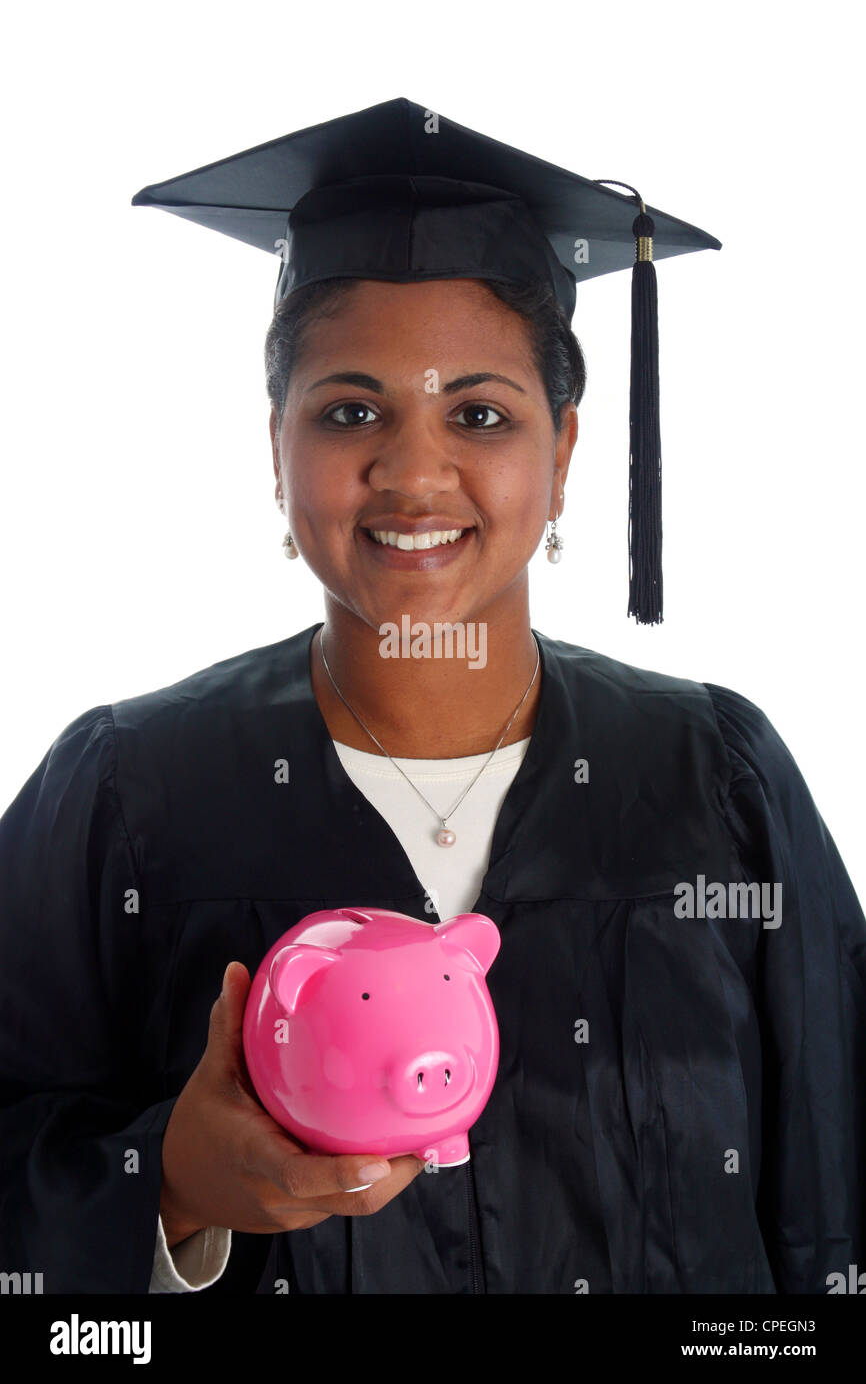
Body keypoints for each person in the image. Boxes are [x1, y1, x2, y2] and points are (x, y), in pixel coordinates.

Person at [1, 99, 863, 1295]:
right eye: (350, 411)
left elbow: (834, 1195)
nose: (412, 472)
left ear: (561, 451)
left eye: (479, 414)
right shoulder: (123, 792)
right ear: (275, 446)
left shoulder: (714, 778)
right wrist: (171, 1191)